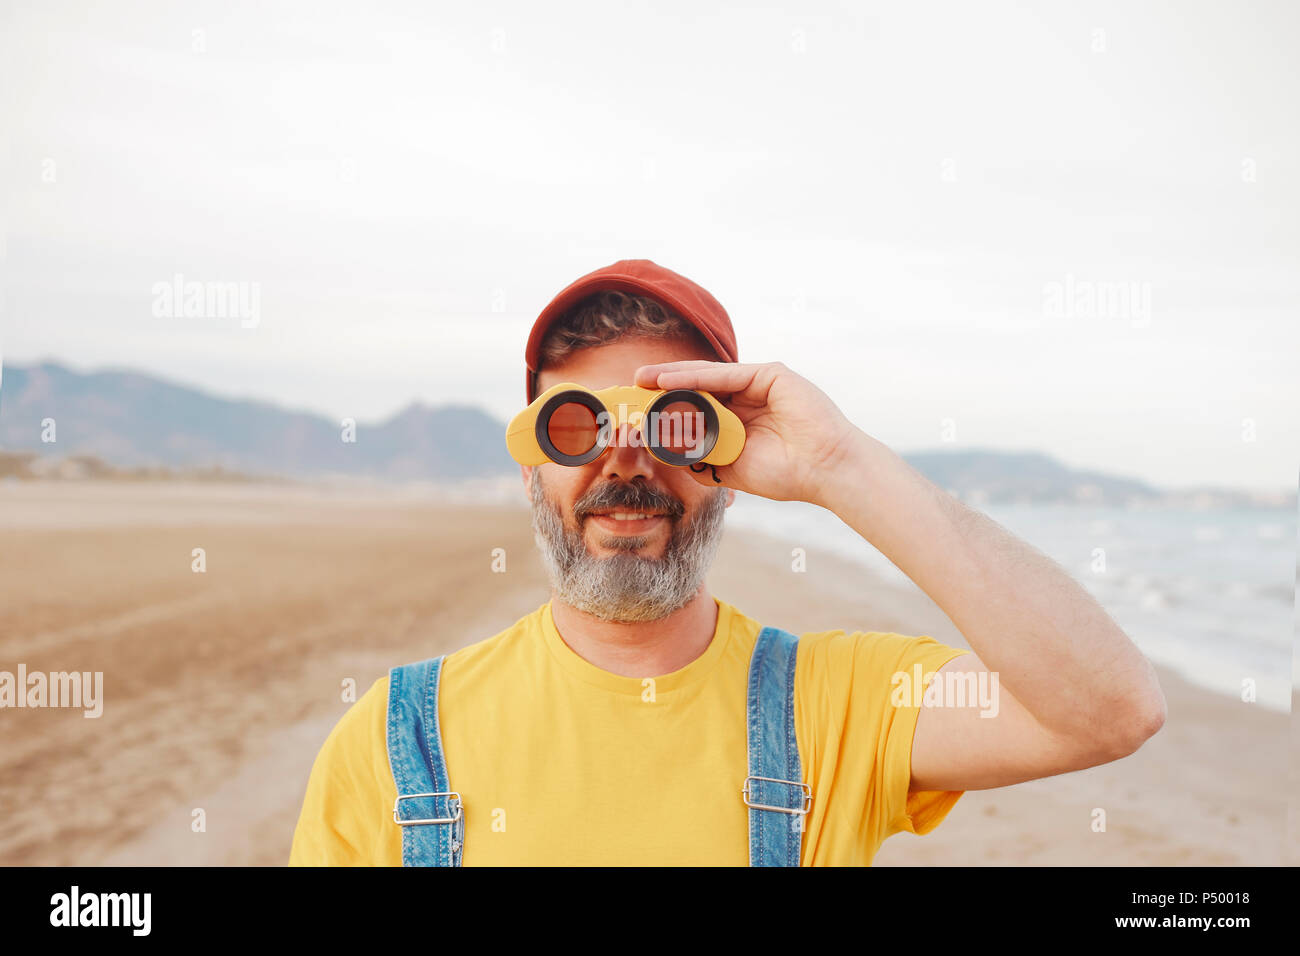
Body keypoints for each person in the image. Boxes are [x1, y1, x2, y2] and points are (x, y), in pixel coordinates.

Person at [288, 259, 1166, 866]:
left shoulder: (837, 704)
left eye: (672, 426)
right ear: (530, 466)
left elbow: (1109, 709)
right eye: (576, 427)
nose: (624, 462)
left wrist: (837, 466)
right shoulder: (397, 738)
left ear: (731, 467)